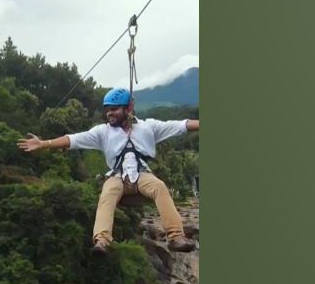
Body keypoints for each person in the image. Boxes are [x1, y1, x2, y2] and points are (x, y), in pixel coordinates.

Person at [17, 87, 199, 254]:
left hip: (142, 175)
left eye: (114, 109)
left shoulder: (148, 127)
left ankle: (175, 237)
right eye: (108, 110)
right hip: (117, 176)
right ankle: (102, 240)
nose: (109, 113)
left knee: (159, 187)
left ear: (128, 109)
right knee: (108, 192)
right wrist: (44, 143)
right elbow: (72, 139)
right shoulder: (102, 132)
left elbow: (182, 125)